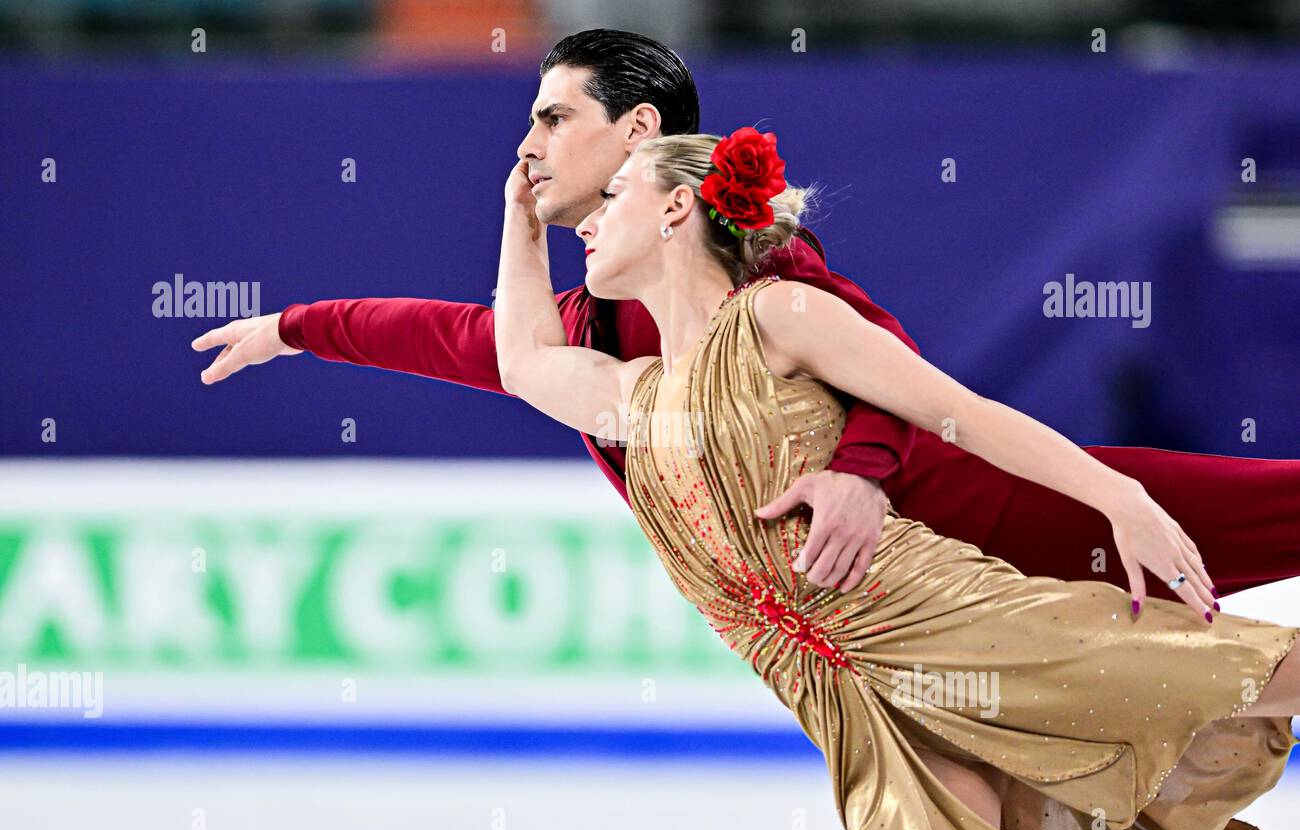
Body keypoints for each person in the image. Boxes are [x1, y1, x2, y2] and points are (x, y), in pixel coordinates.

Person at [189, 28, 1300, 606]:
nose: (525, 140)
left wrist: (862, 471)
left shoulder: (763, 266)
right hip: (850, 614)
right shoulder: (582, 336)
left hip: (960, 525)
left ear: (636, 140)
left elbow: (900, 380)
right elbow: (461, 339)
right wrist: (294, 324)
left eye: (549, 116)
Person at [490, 123, 1299, 830]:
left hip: (956, 624)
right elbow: (522, 361)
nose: (586, 222)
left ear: (675, 205)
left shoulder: (778, 315)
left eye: (610, 194)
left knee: (1227, 677)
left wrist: (1121, 499)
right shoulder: (636, 397)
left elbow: (963, 416)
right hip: (858, 703)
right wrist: (518, 216)